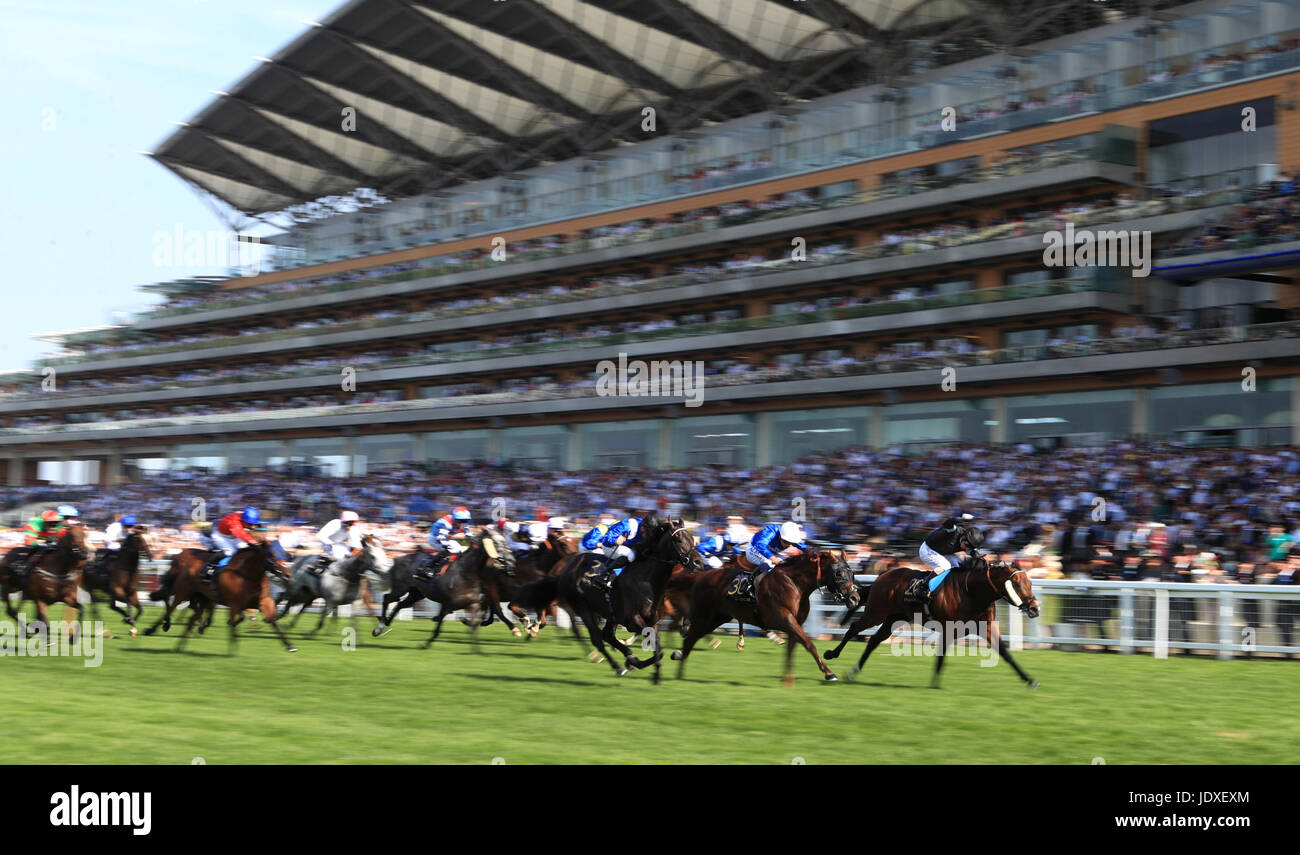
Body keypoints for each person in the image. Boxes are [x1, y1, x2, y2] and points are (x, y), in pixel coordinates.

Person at [913, 513, 984, 618]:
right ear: (964, 537)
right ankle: (923, 588)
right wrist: (960, 519)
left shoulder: (968, 543)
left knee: (958, 565)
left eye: (970, 547)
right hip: (928, 550)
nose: (967, 548)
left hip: (943, 551)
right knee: (945, 565)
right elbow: (948, 523)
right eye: (967, 545)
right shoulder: (954, 532)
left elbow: (976, 556)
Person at [745, 520, 809, 591]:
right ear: (780, 536)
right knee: (769, 563)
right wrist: (772, 558)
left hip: (771, 552)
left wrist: (813, 552)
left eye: (791, 543)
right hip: (754, 549)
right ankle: (750, 584)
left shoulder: (789, 535)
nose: (788, 545)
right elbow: (760, 545)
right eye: (786, 542)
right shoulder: (770, 531)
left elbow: (804, 547)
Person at [205, 506, 264, 577]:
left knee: (244, 547)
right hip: (220, 536)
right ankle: (209, 566)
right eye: (250, 524)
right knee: (230, 552)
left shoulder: (244, 516)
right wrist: (254, 542)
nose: (251, 526)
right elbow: (239, 533)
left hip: (232, 535)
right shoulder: (233, 521)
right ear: (244, 520)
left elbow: (257, 527)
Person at [420, 506, 471, 579]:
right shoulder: (446, 523)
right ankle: (428, 568)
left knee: (460, 550)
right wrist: (447, 545)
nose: (462, 523)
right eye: (460, 521)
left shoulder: (463, 523)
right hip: (435, 538)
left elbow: (469, 535)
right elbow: (442, 538)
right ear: (455, 518)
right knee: (447, 550)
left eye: (465, 521)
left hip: (447, 537)